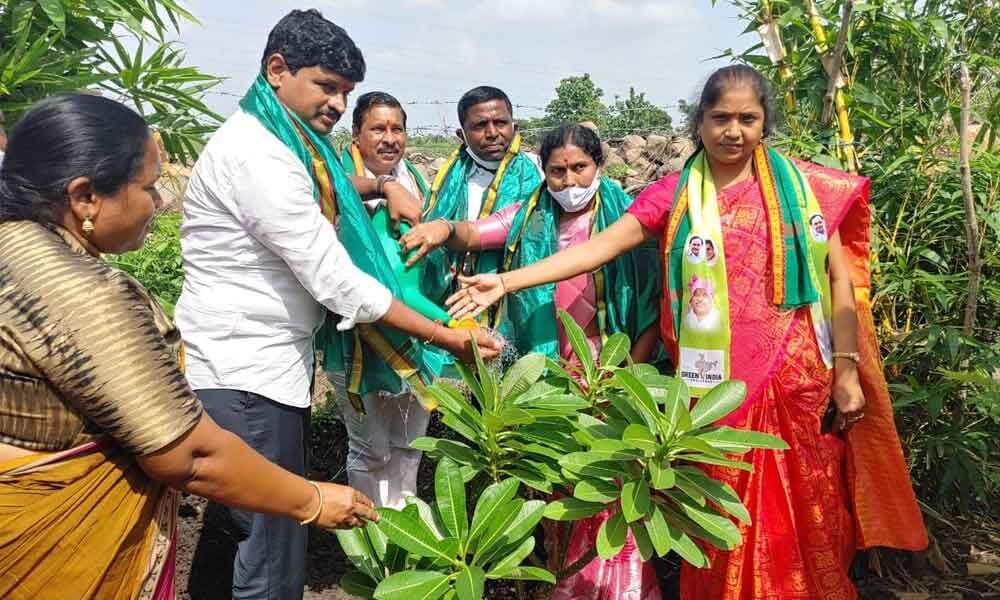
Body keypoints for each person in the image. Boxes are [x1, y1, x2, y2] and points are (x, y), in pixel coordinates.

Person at [446, 65, 928, 599]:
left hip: (798, 386)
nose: (734, 130)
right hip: (713, 395)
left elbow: (840, 283)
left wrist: (846, 370)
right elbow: (599, 247)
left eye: (748, 118)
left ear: (766, 122)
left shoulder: (806, 189)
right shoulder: (674, 194)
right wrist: (505, 281)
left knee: (809, 510)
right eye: (721, 117)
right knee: (724, 516)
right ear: (699, 122)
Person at [0, 93, 379, 600]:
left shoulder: (14, 246)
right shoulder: (81, 293)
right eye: (148, 187)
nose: (157, 204)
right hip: (58, 549)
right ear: (86, 196)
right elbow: (188, 456)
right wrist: (311, 499)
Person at [175, 10, 499, 600]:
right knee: (272, 549)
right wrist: (446, 336)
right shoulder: (263, 157)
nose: (333, 103)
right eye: (326, 86)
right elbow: (337, 281)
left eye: (342, 92)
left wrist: (379, 186)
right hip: (250, 374)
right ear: (278, 70)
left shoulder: (280, 143)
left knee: (241, 535)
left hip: (253, 367)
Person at [401, 123, 662, 599]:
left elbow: (649, 307)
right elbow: (476, 233)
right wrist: (443, 228)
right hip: (547, 378)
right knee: (557, 486)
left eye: (580, 168)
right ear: (544, 172)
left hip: (610, 377)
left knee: (611, 486)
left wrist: (625, 377)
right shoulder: (528, 217)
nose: (569, 182)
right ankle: (565, 587)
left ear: (598, 165)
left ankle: (617, 591)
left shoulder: (628, 220)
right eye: (558, 172)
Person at [331, 91, 432, 509]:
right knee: (371, 446)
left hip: (414, 329)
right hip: (358, 336)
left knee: (409, 442)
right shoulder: (338, 178)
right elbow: (337, 190)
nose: (389, 139)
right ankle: (369, 541)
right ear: (356, 135)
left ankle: (403, 538)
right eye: (378, 128)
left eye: (397, 129)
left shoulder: (420, 182)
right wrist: (384, 186)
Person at [420, 86, 543, 318]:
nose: (492, 133)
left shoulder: (542, 172)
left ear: (514, 127)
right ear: (461, 135)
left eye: (500, 123)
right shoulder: (447, 183)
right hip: (460, 304)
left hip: (528, 300)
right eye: (479, 126)